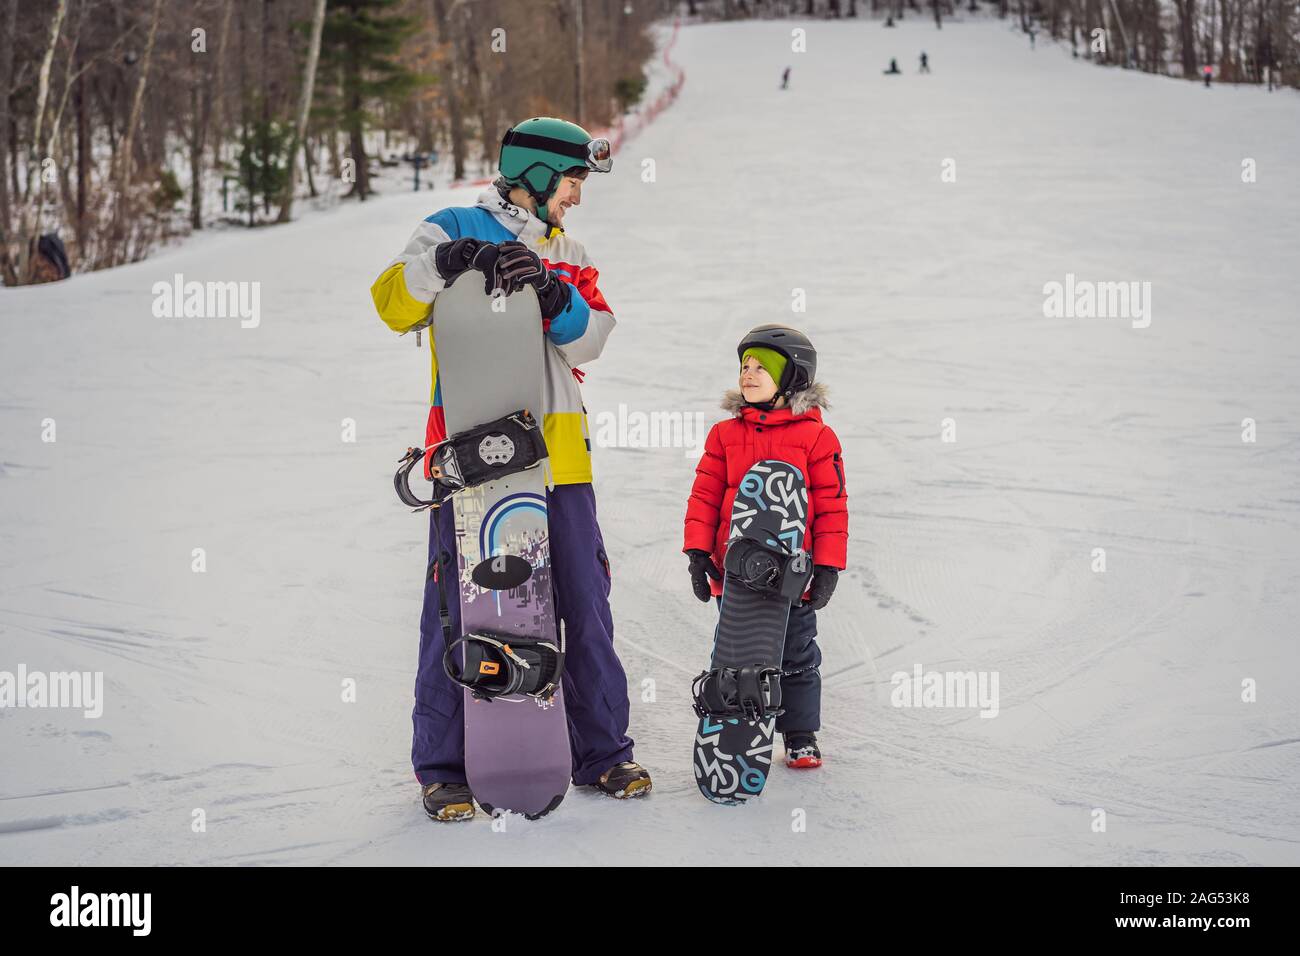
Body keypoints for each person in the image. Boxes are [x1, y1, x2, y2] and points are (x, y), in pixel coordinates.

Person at [370, 116, 651, 821]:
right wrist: (453, 262)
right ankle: (443, 769)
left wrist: (558, 299)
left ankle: (603, 754)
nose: (578, 197)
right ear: (534, 173)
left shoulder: (570, 250)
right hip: (467, 459)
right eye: (573, 181)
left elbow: (592, 341)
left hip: (560, 460)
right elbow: (391, 305)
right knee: (455, 610)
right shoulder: (449, 223)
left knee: (584, 605)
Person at [682, 325, 849, 769]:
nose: (748, 375)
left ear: (792, 377)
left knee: (796, 654)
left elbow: (832, 506)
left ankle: (799, 734)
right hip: (735, 573)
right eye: (744, 367)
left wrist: (828, 566)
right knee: (737, 653)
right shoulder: (724, 435)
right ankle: (738, 729)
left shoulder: (816, 438)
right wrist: (699, 553)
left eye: (761, 368)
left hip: (792, 574)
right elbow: (704, 496)